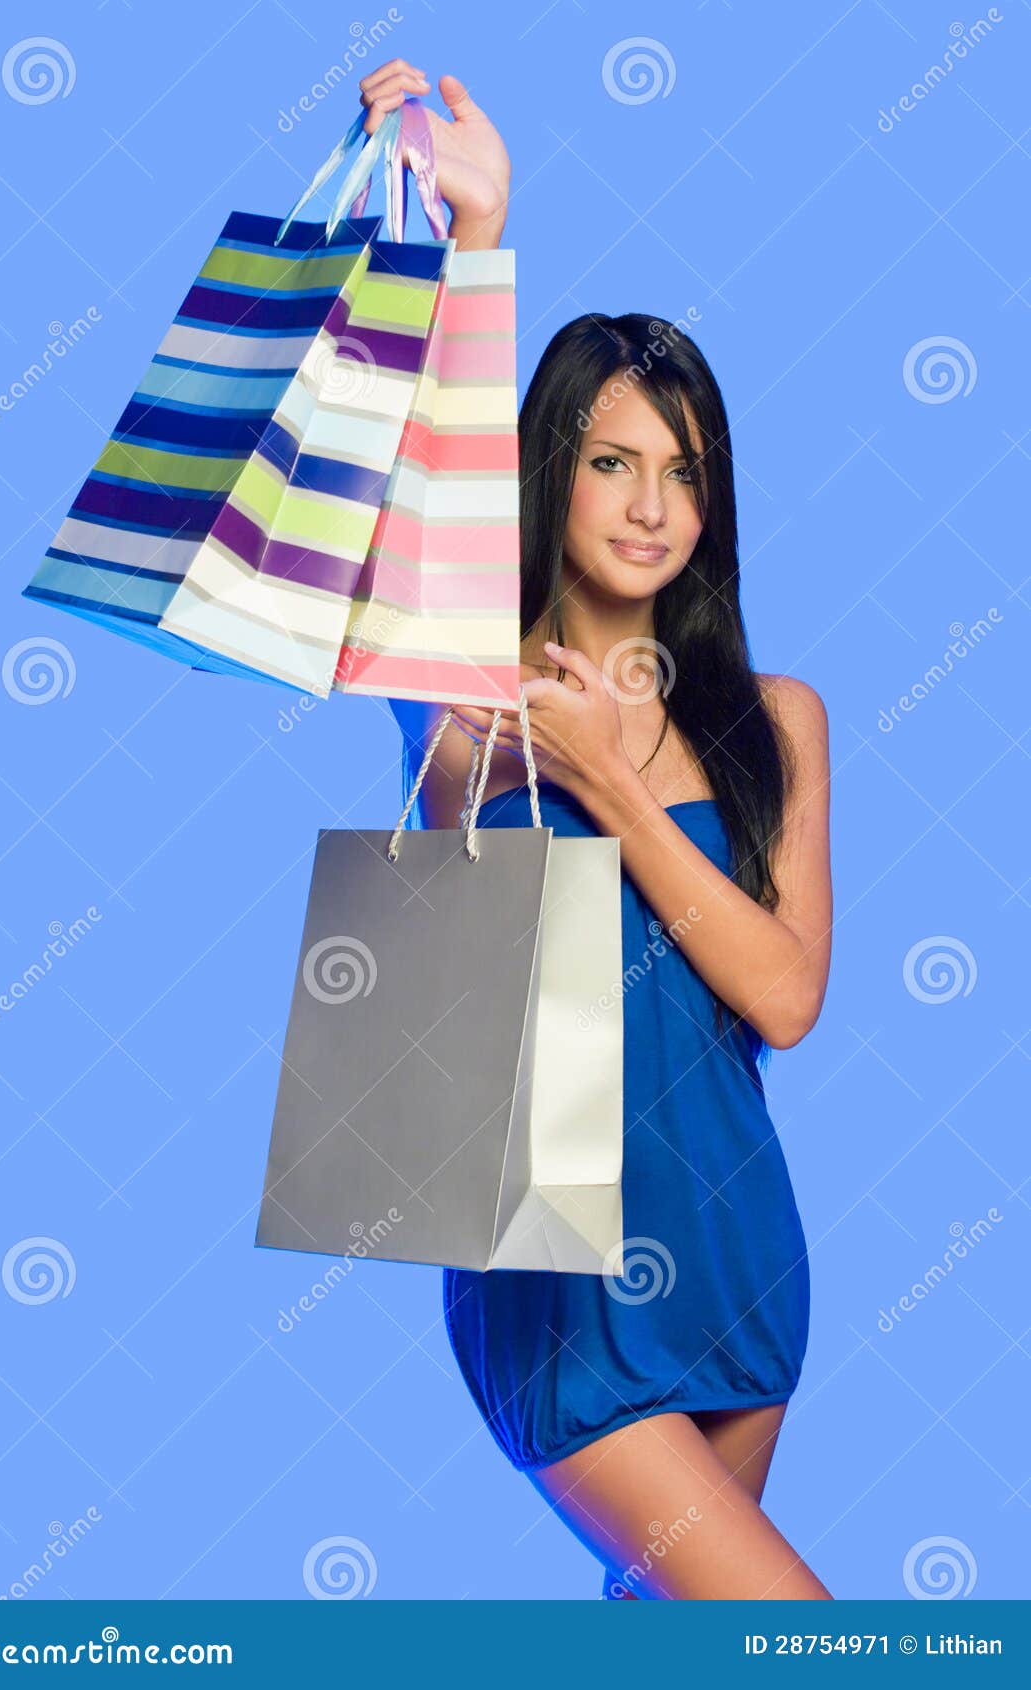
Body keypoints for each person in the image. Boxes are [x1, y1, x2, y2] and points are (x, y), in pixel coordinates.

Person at [362, 58, 834, 1601]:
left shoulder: (776, 718)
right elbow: (424, 498)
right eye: (611, 460)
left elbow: (779, 995)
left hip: (741, 1264)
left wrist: (620, 786)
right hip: (551, 1270)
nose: (649, 505)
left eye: (683, 471)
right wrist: (477, 231)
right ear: (548, 468)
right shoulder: (465, 698)